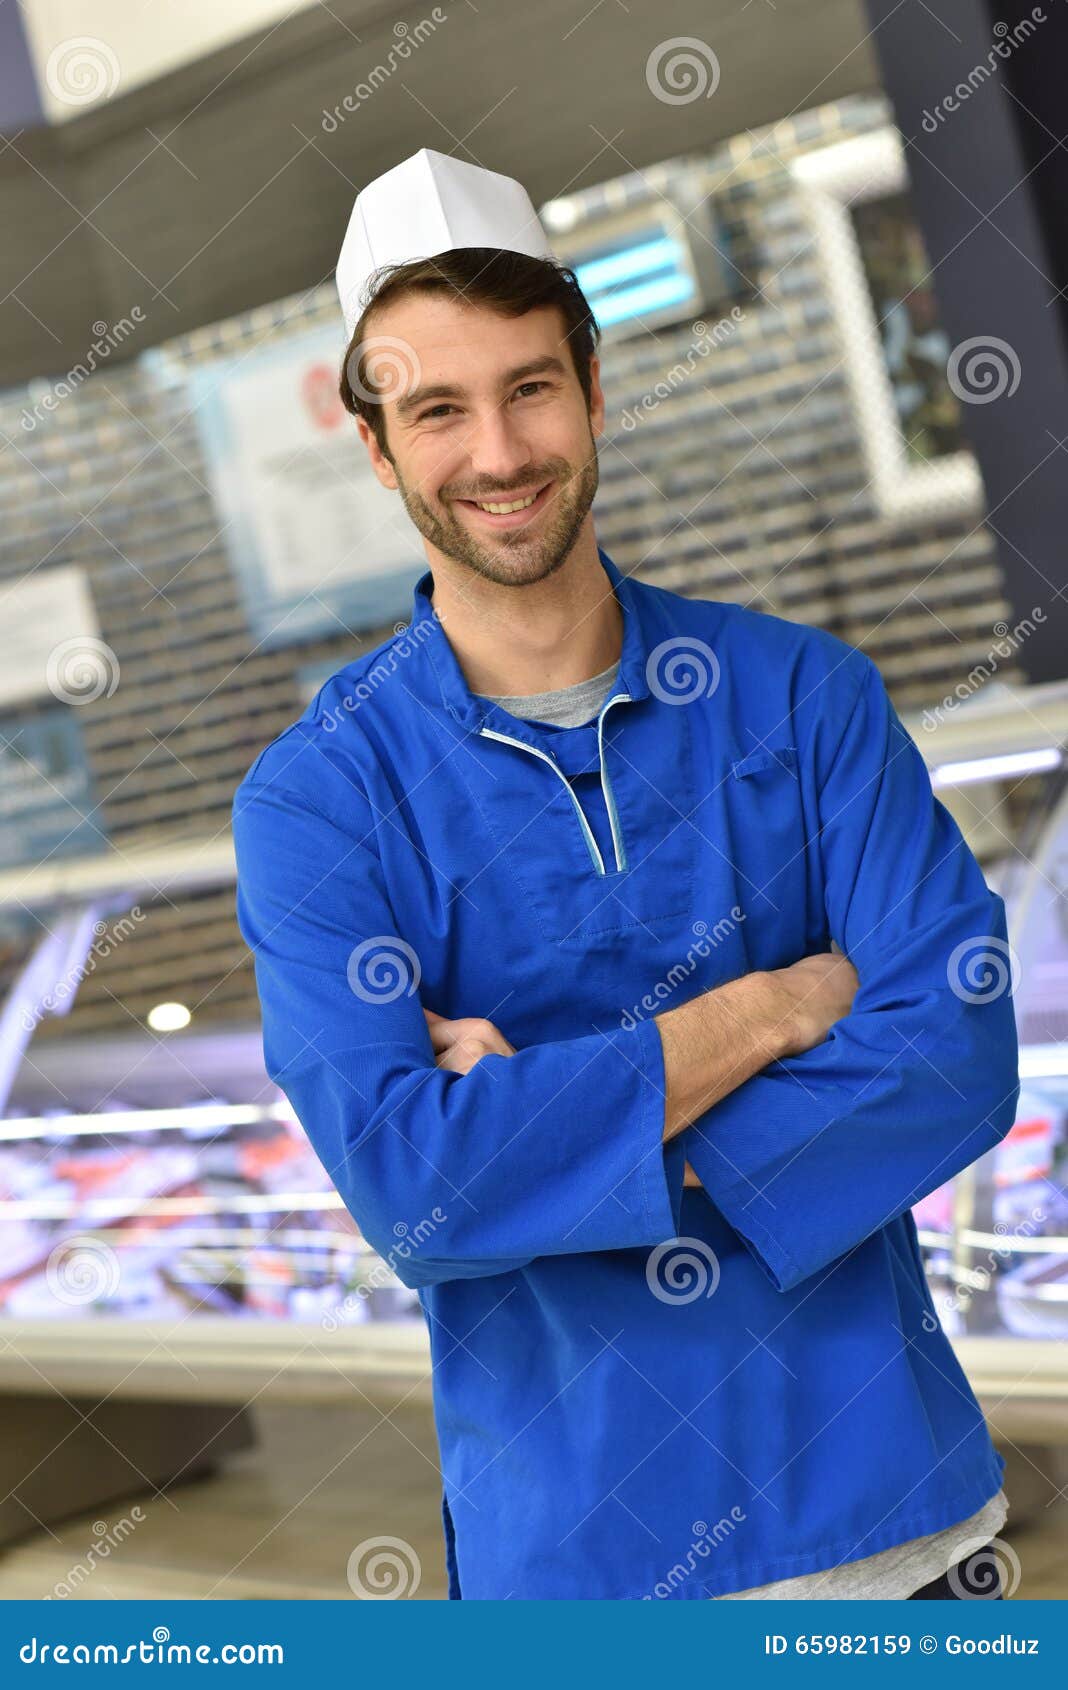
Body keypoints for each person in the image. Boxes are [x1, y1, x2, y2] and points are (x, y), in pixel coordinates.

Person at [231, 150, 1018, 1600]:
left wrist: (545, 1126)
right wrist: (765, 1011)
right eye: (437, 410)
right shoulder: (320, 797)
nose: (498, 451)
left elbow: (957, 1056)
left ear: (593, 391)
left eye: (530, 387)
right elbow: (414, 1188)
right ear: (378, 449)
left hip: (893, 1520)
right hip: (576, 1563)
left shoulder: (803, 699)